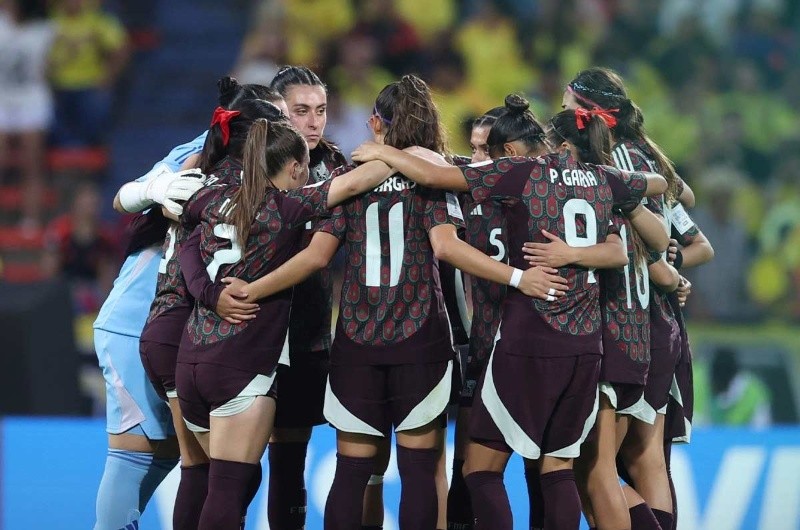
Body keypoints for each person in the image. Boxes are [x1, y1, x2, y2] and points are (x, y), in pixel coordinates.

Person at [351, 106, 668, 530]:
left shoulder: (524, 173)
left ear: (543, 145)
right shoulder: (605, 179)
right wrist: (581, 246)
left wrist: (382, 150)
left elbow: (434, 177)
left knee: (480, 470)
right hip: (585, 345)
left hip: (527, 340)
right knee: (559, 469)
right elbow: (657, 187)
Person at [174, 117, 403, 530]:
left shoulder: (210, 198)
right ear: (297, 168)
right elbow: (363, 180)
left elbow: (186, 250)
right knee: (227, 491)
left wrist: (211, 296)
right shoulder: (288, 207)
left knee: (215, 480)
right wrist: (387, 148)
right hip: (240, 363)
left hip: (191, 361)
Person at [565, 67, 714, 530]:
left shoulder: (611, 164)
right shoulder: (649, 158)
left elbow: (636, 242)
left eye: (570, 109)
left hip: (626, 318)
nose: (564, 119)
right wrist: (674, 273)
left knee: (592, 464)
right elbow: (695, 234)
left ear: (591, 115)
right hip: (663, 323)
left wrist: (666, 272)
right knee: (649, 455)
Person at [139, 85, 286, 530]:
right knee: (218, 476)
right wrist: (213, 296)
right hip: (196, 330)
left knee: (199, 469)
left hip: (164, 326)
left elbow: (137, 207)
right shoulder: (249, 191)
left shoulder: (196, 178)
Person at [261, 65, 347, 530]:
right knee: (237, 457)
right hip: (254, 322)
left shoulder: (335, 165)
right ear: (278, 113)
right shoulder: (252, 165)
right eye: (301, 112)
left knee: (291, 449)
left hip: (310, 324)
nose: (314, 122)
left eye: (321, 111)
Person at [0, 0, 53, 229]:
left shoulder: (46, 29)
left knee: (32, 163)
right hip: (2, 96)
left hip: (32, 97)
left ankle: (30, 222)